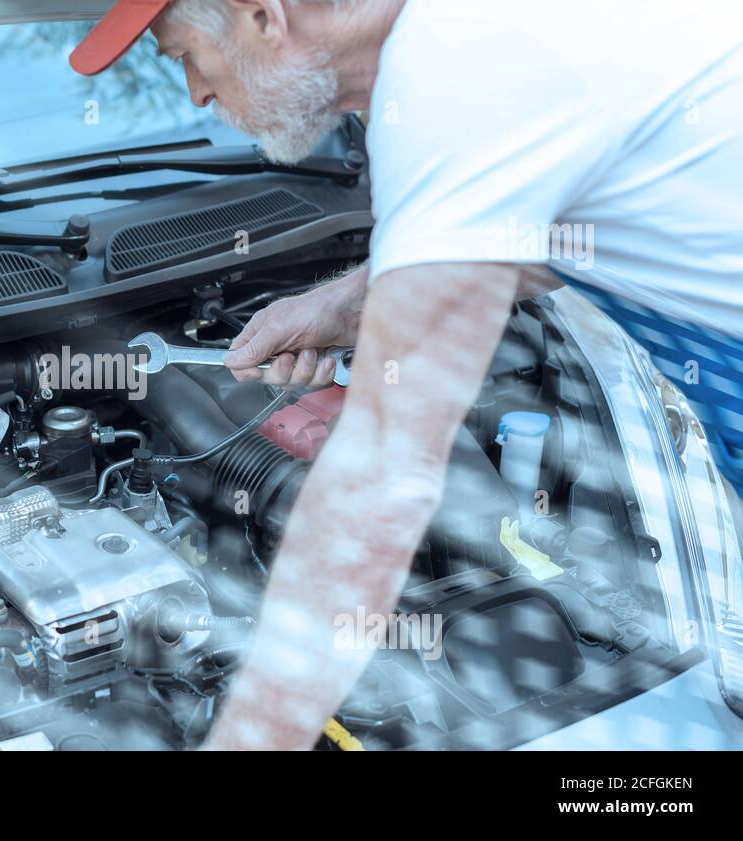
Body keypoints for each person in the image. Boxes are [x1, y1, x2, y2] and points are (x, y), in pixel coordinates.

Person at [69, 0, 743, 749]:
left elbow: (381, 482)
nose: (196, 93)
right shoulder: (471, 37)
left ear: (263, 15)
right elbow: (550, 237)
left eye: (186, 57)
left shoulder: (444, 80)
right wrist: (346, 304)